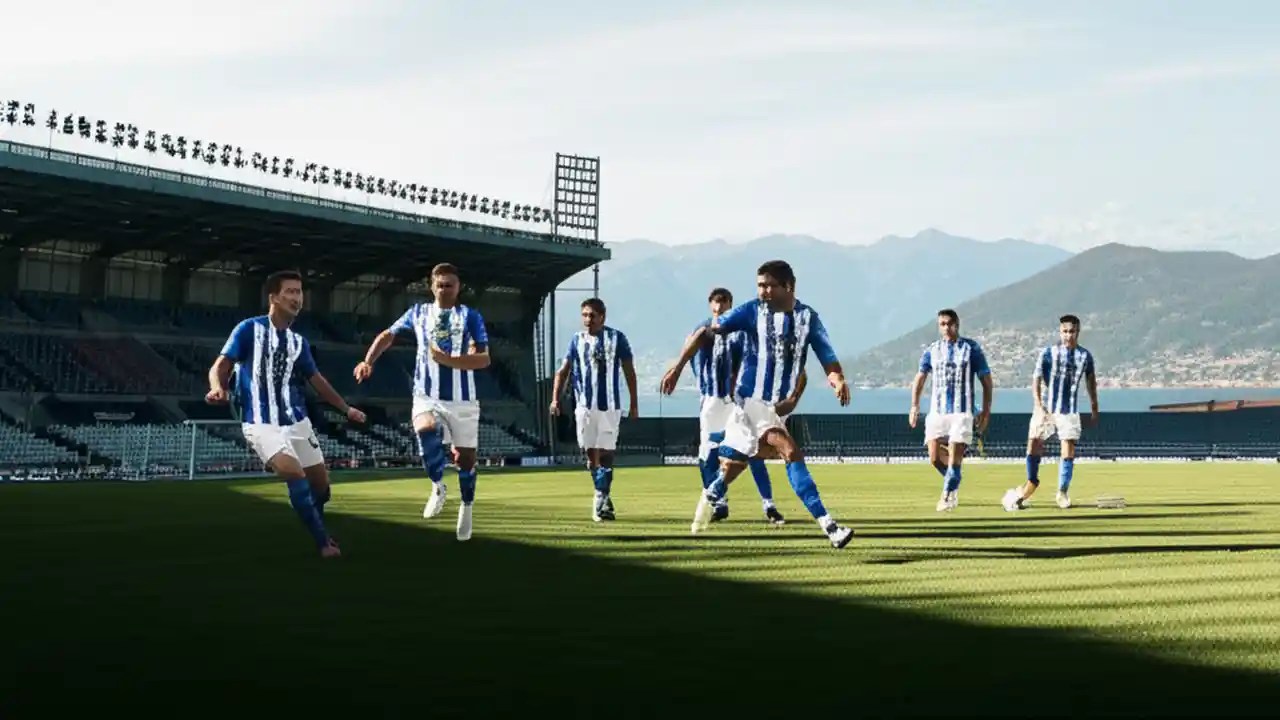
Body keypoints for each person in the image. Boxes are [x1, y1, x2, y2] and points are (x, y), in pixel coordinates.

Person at [686, 260, 854, 549]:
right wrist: (715, 327)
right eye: (760, 285)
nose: (763, 291)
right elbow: (715, 327)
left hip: (772, 407)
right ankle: (831, 527)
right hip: (751, 400)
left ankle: (715, 489)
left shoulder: (808, 319)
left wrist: (837, 379)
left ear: (789, 286)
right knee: (789, 450)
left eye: (769, 285)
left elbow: (827, 356)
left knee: (740, 462)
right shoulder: (752, 311)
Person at [206, 269, 366, 558]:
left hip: (297, 421)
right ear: (273, 298)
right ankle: (323, 543)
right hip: (260, 422)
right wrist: (218, 387)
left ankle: (311, 516)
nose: (297, 298)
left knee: (322, 488)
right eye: (290, 292)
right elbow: (220, 365)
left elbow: (318, 382)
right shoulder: (248, 330)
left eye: (300, 292)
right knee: (294, 472)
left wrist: (346, 409)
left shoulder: (298, 342)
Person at [354, 262, 490, 541]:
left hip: (463, 400)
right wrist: (368, 361)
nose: (444, 289)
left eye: (449, 284)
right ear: (431, 287)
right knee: (425, 430)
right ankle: (438, 486)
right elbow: (388, 335)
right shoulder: (417, 312)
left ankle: (467, 506)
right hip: (426, 394)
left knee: (466, 461)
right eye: (439, 285)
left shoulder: (471, 317)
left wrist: (448, 360)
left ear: (458, 287)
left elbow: (483, 358)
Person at [660, 287, 788, 525]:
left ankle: (768, 504)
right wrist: (676, 370)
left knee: (752, 450)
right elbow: (695, 342)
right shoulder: (705, 328)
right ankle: (719, 503)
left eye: (724, 304)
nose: (719, 309)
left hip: (736, 402)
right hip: (711, 400)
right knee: (707, 451)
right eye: (715, 304)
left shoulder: (739, 331)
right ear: (711, 305)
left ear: (730, 304)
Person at [550, 298, 639, 522]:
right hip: (584, 408)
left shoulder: (617, 338)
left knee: (607, 452)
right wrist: (555, 399)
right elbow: (563, 371)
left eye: (592, 315)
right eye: (585, 315)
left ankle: (601, 497)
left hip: (610, 406)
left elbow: (629, 371)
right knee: (591, 454)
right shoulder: (576, 340)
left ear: (602, 317)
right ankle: (601, 495)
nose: (588, 320)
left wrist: (634, 403)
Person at [1003, 314, 1099, 511]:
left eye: (1072, 331)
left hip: (1069, 410)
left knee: (1068, 449)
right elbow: (1036, 379)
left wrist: (1094, 406)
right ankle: (1031, 481)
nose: (1068, 335)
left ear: (1078, 332)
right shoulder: (1048, 353)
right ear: (1060, 332)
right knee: (1033, 445)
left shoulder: (1085, 357)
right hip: (1047, 408)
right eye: (1065, 331)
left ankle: (1062, 492)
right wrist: (1039, 405)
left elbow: (1091, 382)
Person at [908, 309, 993, 511]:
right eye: (942, 324)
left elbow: (986, 381)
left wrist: (986, 410)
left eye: (949, 324)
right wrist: (914, 405)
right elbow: (920, 379)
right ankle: (954, 480)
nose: (946, 328)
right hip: (937, 412)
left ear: (957, 324)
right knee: (935, 458)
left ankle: (947, 496)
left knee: (955, 455)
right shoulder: (932, 350)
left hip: (962, 412)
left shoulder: (971, 349)